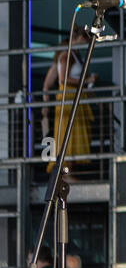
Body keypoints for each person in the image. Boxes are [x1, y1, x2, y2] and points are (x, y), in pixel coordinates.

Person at [42, 25, 95, 175]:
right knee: (68, 135)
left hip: (74, 97)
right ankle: (66, 174)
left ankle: (68, 173)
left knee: (72, 135)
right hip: (69, 97)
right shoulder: (67, 55)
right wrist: (86, 81)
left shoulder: (72, 54)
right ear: (78, 38)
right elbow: (63, 79)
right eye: (85, 40)